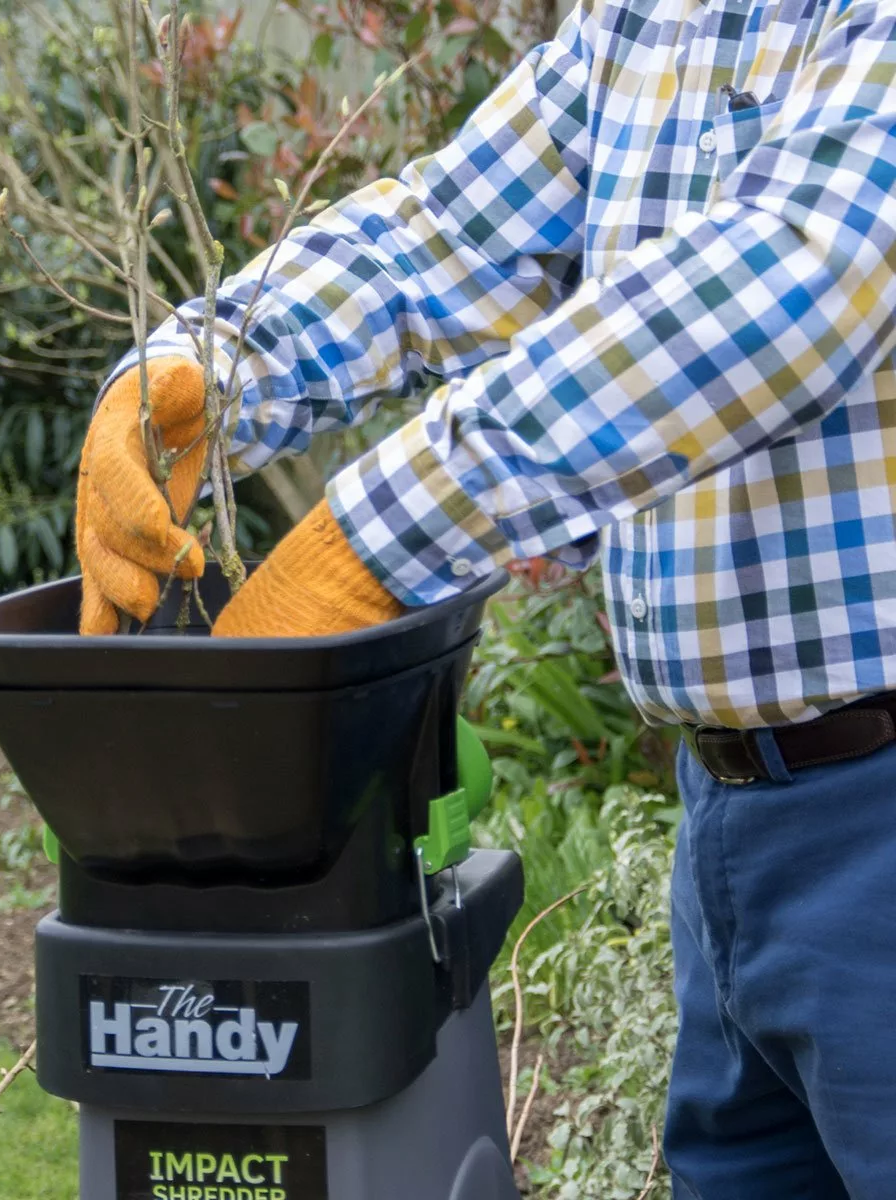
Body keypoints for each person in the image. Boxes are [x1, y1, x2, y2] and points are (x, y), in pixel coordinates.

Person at [75, 0, 896, 1193]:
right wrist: (198, 364)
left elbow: (794, 281)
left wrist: (371, 543)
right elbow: (444, 235)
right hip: (733, 815)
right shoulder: (653, 18)